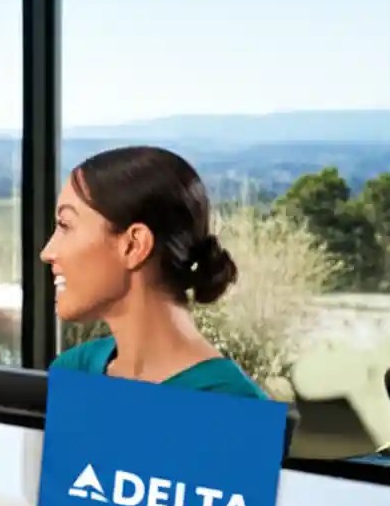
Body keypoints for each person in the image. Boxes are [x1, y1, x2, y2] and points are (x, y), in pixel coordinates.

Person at [42, 145, 266, 398]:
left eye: (66, 226)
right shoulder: (75, 370)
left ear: (134, 245)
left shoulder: (231, 404)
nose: (47, 252)